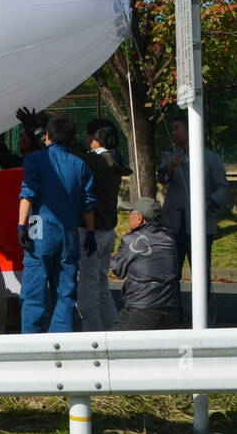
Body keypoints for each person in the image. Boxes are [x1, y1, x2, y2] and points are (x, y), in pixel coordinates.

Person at [17, 115, 96, 333]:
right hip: (69, 234)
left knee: (34, 293)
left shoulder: (35, 160)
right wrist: (90, 233)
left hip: (38, 228)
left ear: (48, 136)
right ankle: (60, 346)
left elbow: (28, 195)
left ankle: (32, 345)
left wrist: (21, 227)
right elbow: (88, 204)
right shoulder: (81, 165)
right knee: (65, 294)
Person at [157, 115, 228, 324]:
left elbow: (223, 187)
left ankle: (202, 317)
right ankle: (175, 317)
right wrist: (170, 167)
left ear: (190, 130)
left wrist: (210, 203)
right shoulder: (171, 156)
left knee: (200, 273)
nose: (174, 133)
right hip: (174, 224)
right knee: (171, 273)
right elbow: (161, 178)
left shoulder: (209, 158)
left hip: (201, 225)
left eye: (177, 128)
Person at [72, 120, 130, 331]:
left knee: (87, 293)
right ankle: (112, 333)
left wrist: (41, 132)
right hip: (107, 232)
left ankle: (94, 340)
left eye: (90, 137)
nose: (87, 141)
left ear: (98, 138)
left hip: (92, 233)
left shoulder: (97, 162)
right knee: (101, 288)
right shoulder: (114, 160)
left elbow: (67, 154)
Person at [109, 198, 180, 330]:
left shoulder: (132, 239)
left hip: (142, 305)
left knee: (118, 345)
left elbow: (117, 270)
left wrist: (110, 253)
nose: (129, 217)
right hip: (170, 304)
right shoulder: (169, 238)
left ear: (139, 218)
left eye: (131, 213)